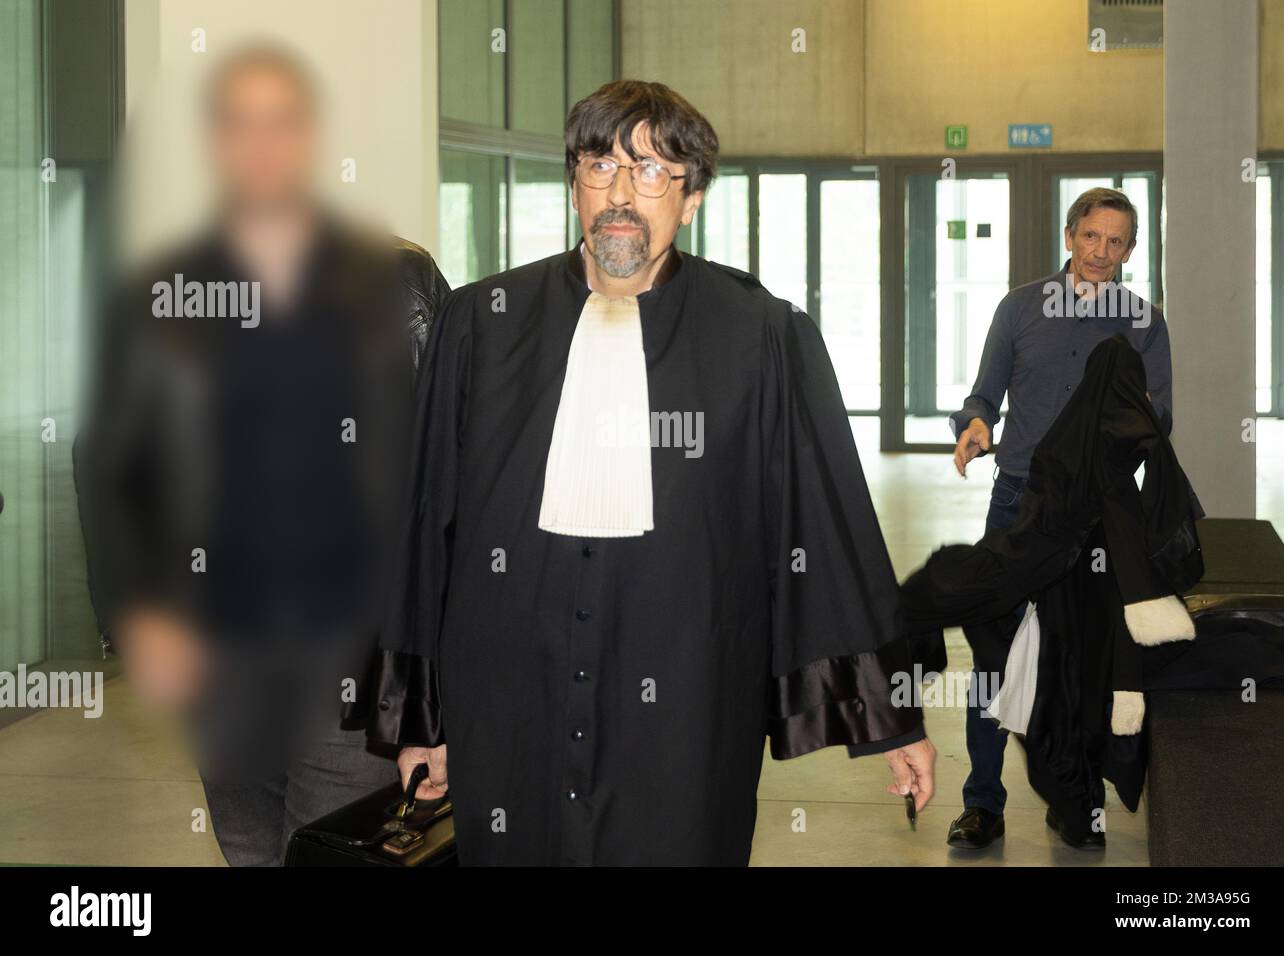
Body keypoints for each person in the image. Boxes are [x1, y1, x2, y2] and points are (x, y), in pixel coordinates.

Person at [367, 80, 935, 866]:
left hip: (686, 703)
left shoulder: (760, 336)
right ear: (573, 184)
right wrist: (420, 721)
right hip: (507, 702)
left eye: (652, 172)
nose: (621, 196)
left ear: (692, 198)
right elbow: (428, 522)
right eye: (600, 167)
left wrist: (890, 718)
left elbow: (824, 523)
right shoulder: (481, 325)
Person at [74, 43, 450, 865]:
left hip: (349, 672)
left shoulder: (398, 285)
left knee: (328, 854)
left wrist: (433, 692)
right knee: (249, 851)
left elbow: (444, 480)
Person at [947, 187, 1173, 850]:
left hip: (1096, 514)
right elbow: (983, 393)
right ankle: (982, 803)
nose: (1102, 252)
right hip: (1019, 500)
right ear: (1070, 236)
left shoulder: (1142, 322)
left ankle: (1073, 796)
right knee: (996, 655)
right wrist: (976, 425)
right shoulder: (1020, 308)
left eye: (1117, 242)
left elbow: (1161, 418)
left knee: (1083, 658)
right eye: (1092, 237)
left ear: (1130, 250)